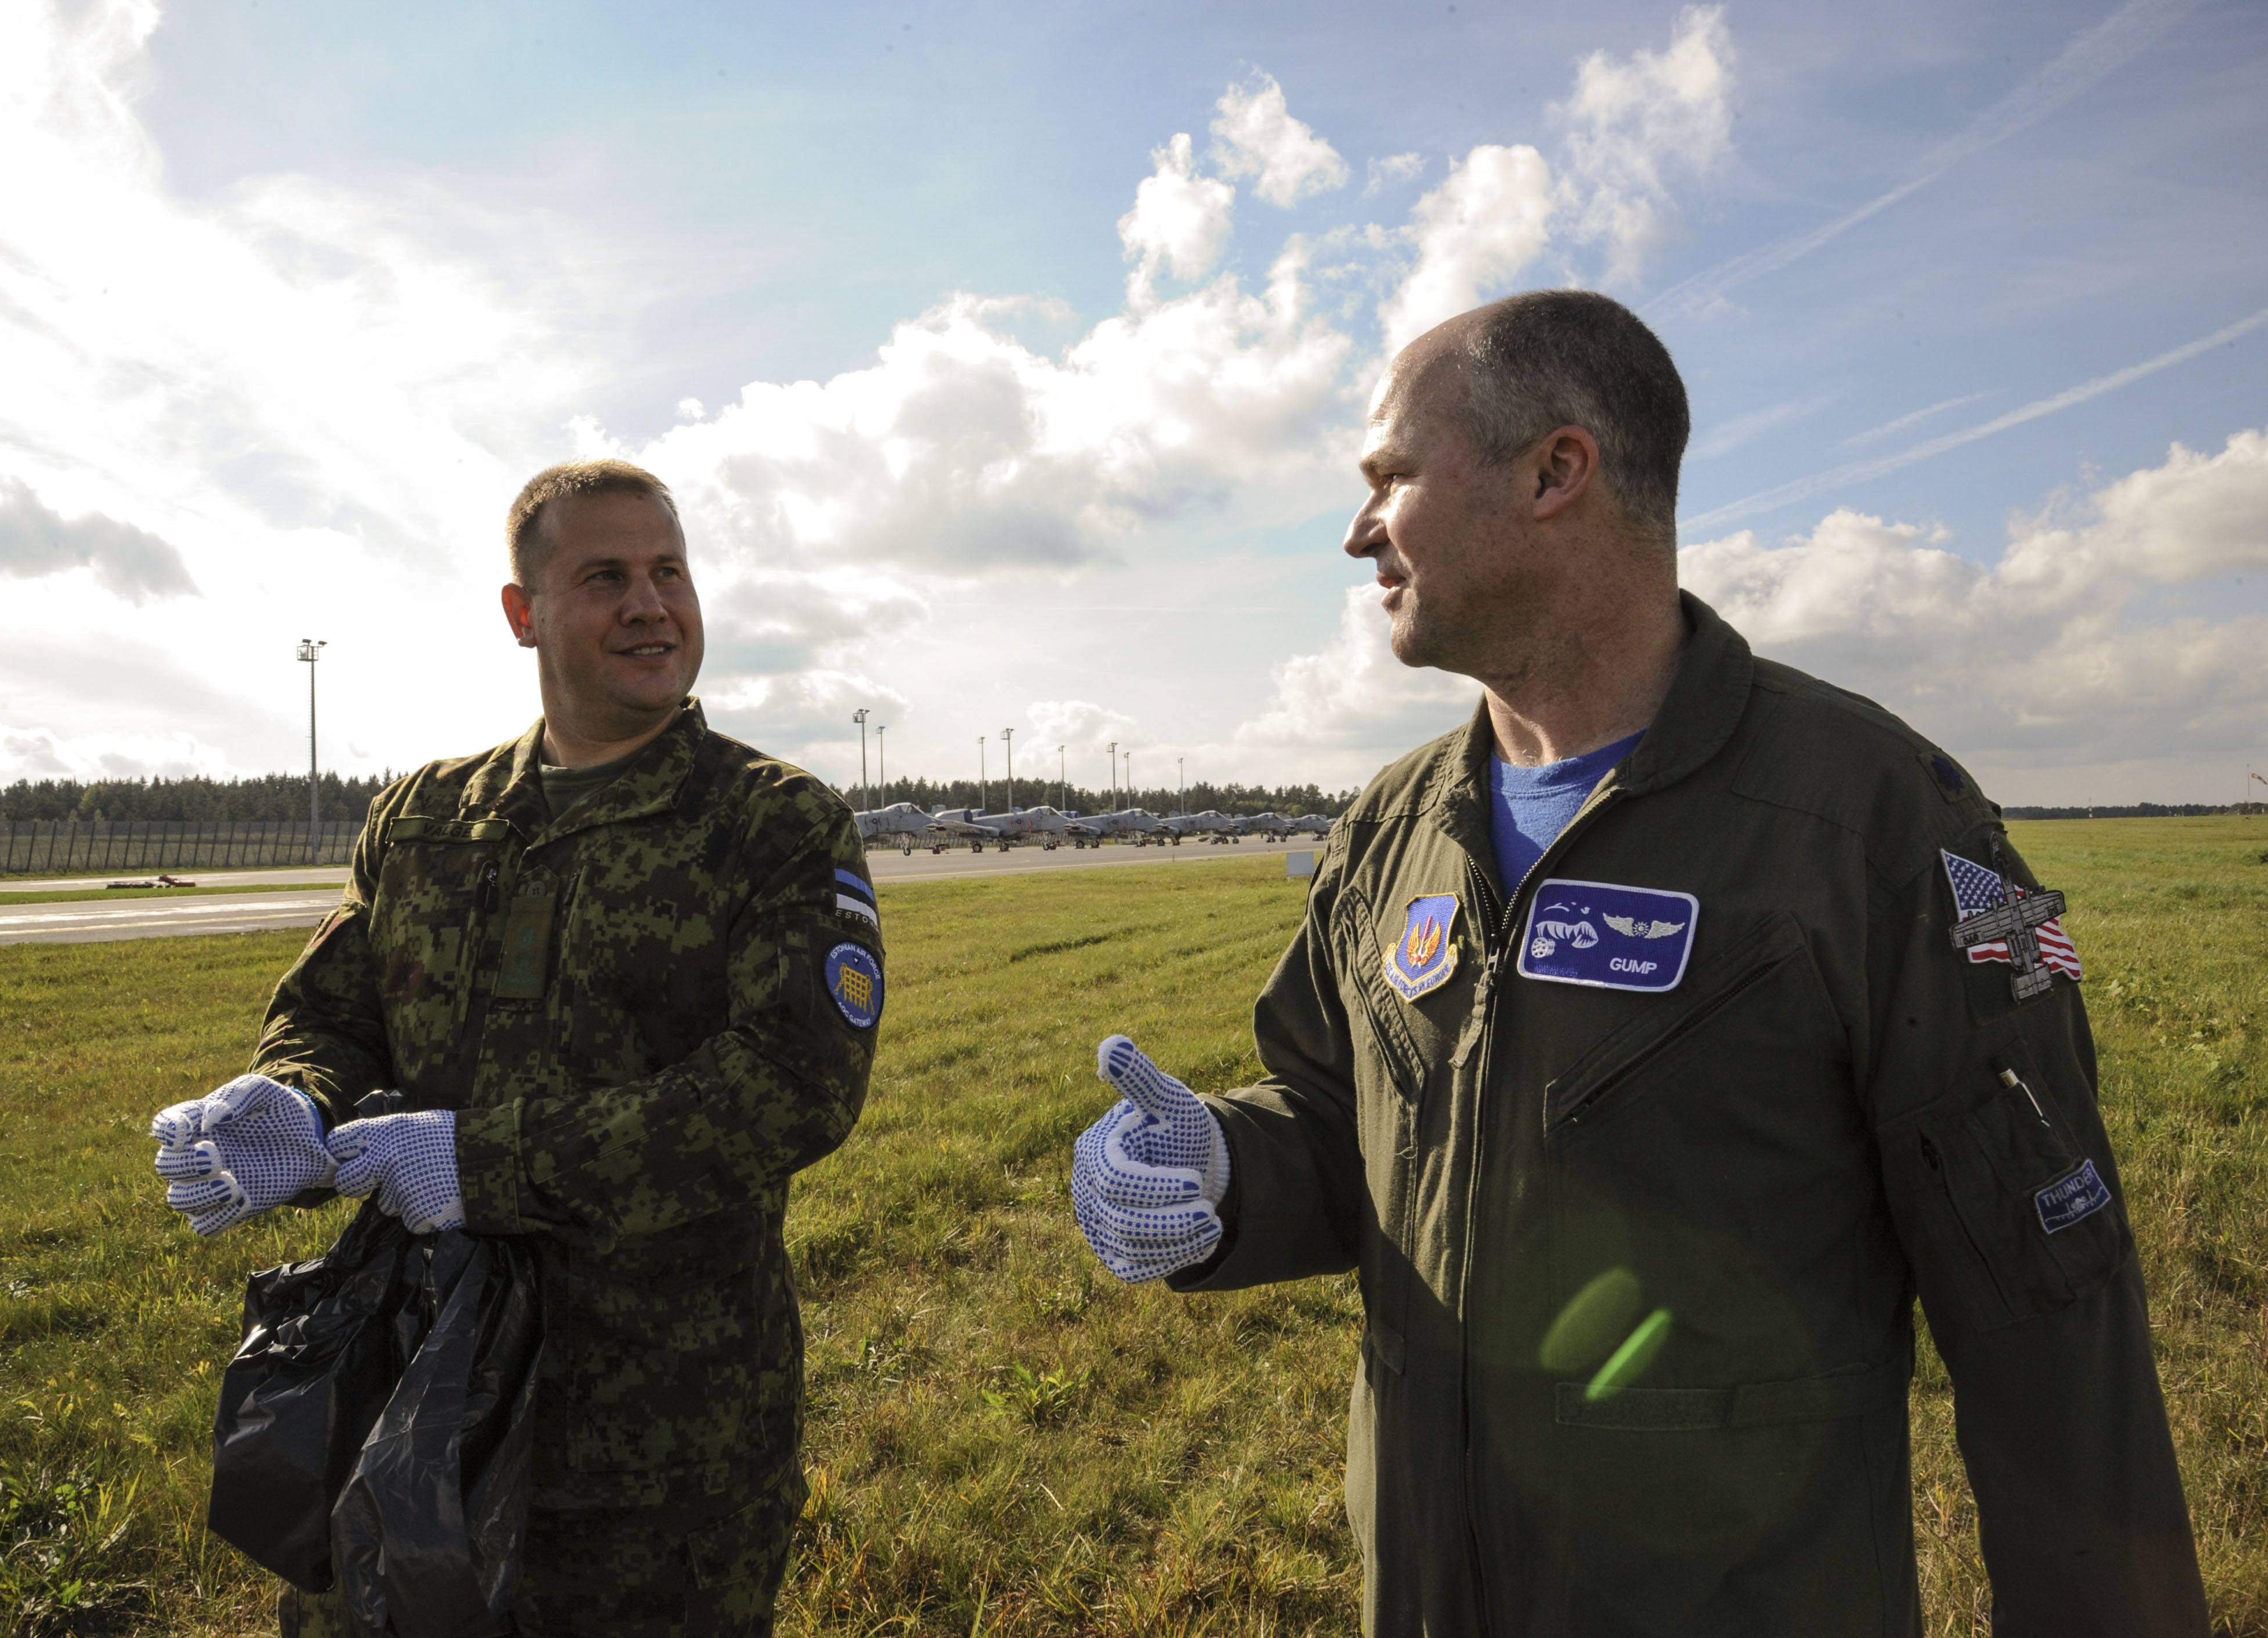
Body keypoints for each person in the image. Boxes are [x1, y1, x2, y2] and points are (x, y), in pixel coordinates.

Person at [1067, 292, 2208, 1635]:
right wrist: (1219, 1167)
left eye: (1392, 476)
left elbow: (2048, 1311)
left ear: (1554, 471)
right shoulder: (1388, 827)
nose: (1359, 529)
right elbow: (1342, 1123)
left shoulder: (1881, 819)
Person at [150, 459, 884, 1637]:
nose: (650, 605)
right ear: (523, 613)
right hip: (410, 1394)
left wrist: (481, 1165)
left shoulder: (768, 820)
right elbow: (333, 1012)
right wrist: (292, 1098)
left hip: (659, 1437)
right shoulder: (427, 816)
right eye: (606, 578)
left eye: (670, 572)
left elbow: (791, 1085)